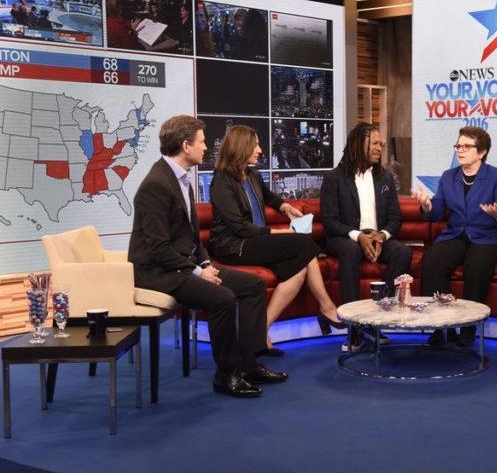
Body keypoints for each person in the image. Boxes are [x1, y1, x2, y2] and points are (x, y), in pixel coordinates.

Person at [128, 115, 287, 398]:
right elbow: (158, 248)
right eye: (202, 142)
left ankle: (248, 364)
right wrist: (199, 272)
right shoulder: (157, 184)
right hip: (158, 273)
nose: (207, 148)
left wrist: (205, 264)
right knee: (223, 299)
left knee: (252, 286)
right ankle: (227, 376)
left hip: (182, 266)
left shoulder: (181, 178)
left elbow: (190, 235)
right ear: (186, 145)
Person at [208, 124, 346, 355]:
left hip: (256, 243)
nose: (260, 150)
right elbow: (240, 228)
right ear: (241, 148)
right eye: (256, 145)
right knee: (303, 243)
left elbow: (269, 196)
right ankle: (327, 306)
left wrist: (285, 207)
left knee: (300, 267)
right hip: (234, 247)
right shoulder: (221, 182)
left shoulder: (251, 174)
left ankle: (261, 329)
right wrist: (280, 233)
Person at [412, 126, 497, 347]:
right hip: (458, 234)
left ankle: (468, 329)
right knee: (432, 260)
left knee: (477, 263)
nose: (460, 150)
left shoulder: (496, 176)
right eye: (458, 145)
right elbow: (437, 212)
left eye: (466, 146)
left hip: (490, 236)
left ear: (482, 152)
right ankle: (441, 327)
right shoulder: (449, 177)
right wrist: (427, 204)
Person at [320, 122, 411, 351]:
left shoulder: (385, 178)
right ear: (357, 145)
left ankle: (376, 318)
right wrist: (358, 236)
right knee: (350, 251)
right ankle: (354, 328)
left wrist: (382, 235)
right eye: (374, 143)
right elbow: (330, 221)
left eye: (381, 144)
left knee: (402, 252)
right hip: (345, 237)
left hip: (376, 237)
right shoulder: (334, 177)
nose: (380, 148)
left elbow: (395, 218)